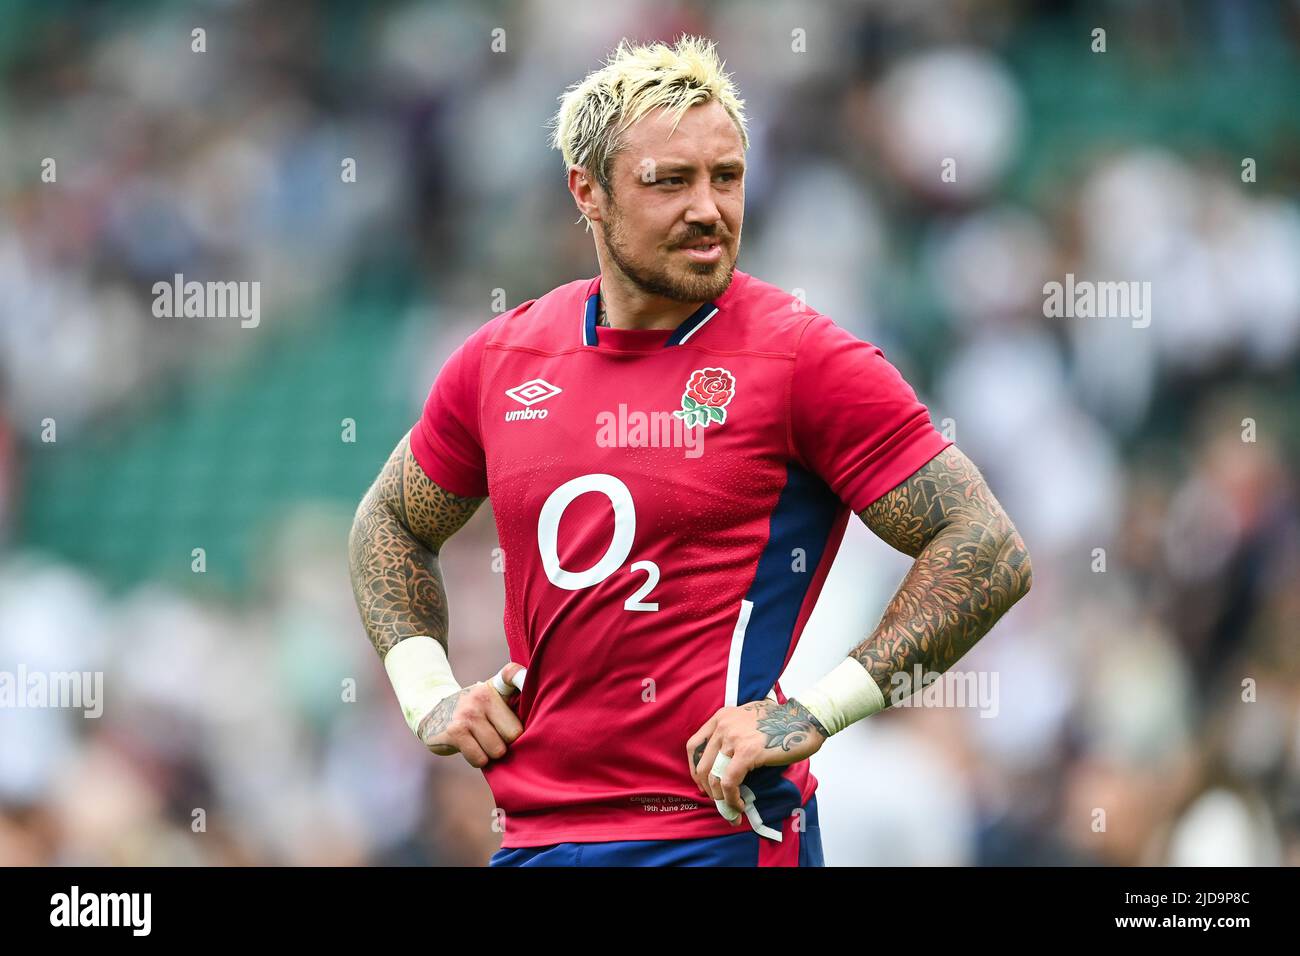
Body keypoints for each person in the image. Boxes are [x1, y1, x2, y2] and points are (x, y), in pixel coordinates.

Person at [348, 35, 1032, 867]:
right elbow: (387, 523)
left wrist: (813, 712)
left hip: (719, 838)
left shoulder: (803, 361)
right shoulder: (501, 359)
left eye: (728, 177)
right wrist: (429, 695)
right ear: (588, 192)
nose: (709, 207)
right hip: (535, 842)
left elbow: (987, 546)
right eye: (670, 181)